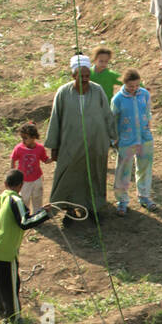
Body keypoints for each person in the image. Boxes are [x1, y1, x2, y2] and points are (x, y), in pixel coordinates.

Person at [44, 55, 116, 221]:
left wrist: (114, 137)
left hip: (95, 144)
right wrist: (54, 148)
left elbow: (107, 115)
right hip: (70, 145)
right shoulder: (63, 93)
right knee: (69, 176)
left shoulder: (97, 90)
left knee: (94, 176)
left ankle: (94, 208)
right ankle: (69, 210)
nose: (85, 79)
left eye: (87, 76)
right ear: (73, 76)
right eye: (81, 76)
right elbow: (56, 120)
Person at [0, 169, 53, 320]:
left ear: (5, 183)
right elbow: (25, 222)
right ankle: (14, 318)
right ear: (21, 185)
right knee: (10, 286)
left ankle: (0, 308)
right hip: (6, 251)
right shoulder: (17, 200)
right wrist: (44, 214)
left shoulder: (0, 197)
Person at [110, 69, 155, 214]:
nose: (134, 89)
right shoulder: (118, 99)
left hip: (144, 138)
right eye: (131, 86)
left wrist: (149, 125)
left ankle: (144, 196)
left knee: (144, 168)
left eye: (136, 85)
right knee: (123, 170)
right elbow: (112, 120)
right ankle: (122, 200)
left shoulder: (144, 94)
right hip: (126, 140)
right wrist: (114, 139)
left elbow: (148, 112)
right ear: (124, 84)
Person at [10, 121, 50, 212]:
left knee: (37, 197)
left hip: (37, 179)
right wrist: (12, 173)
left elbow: (45, 160)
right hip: (24, 181)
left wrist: (54, 158)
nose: (23, 140)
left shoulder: (40, 149)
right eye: (22, 138)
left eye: (25, 138)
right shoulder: (19, 148)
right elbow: (13, 158)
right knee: (24, 199)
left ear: (33, 137)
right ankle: (25, 217)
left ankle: (37, 216)